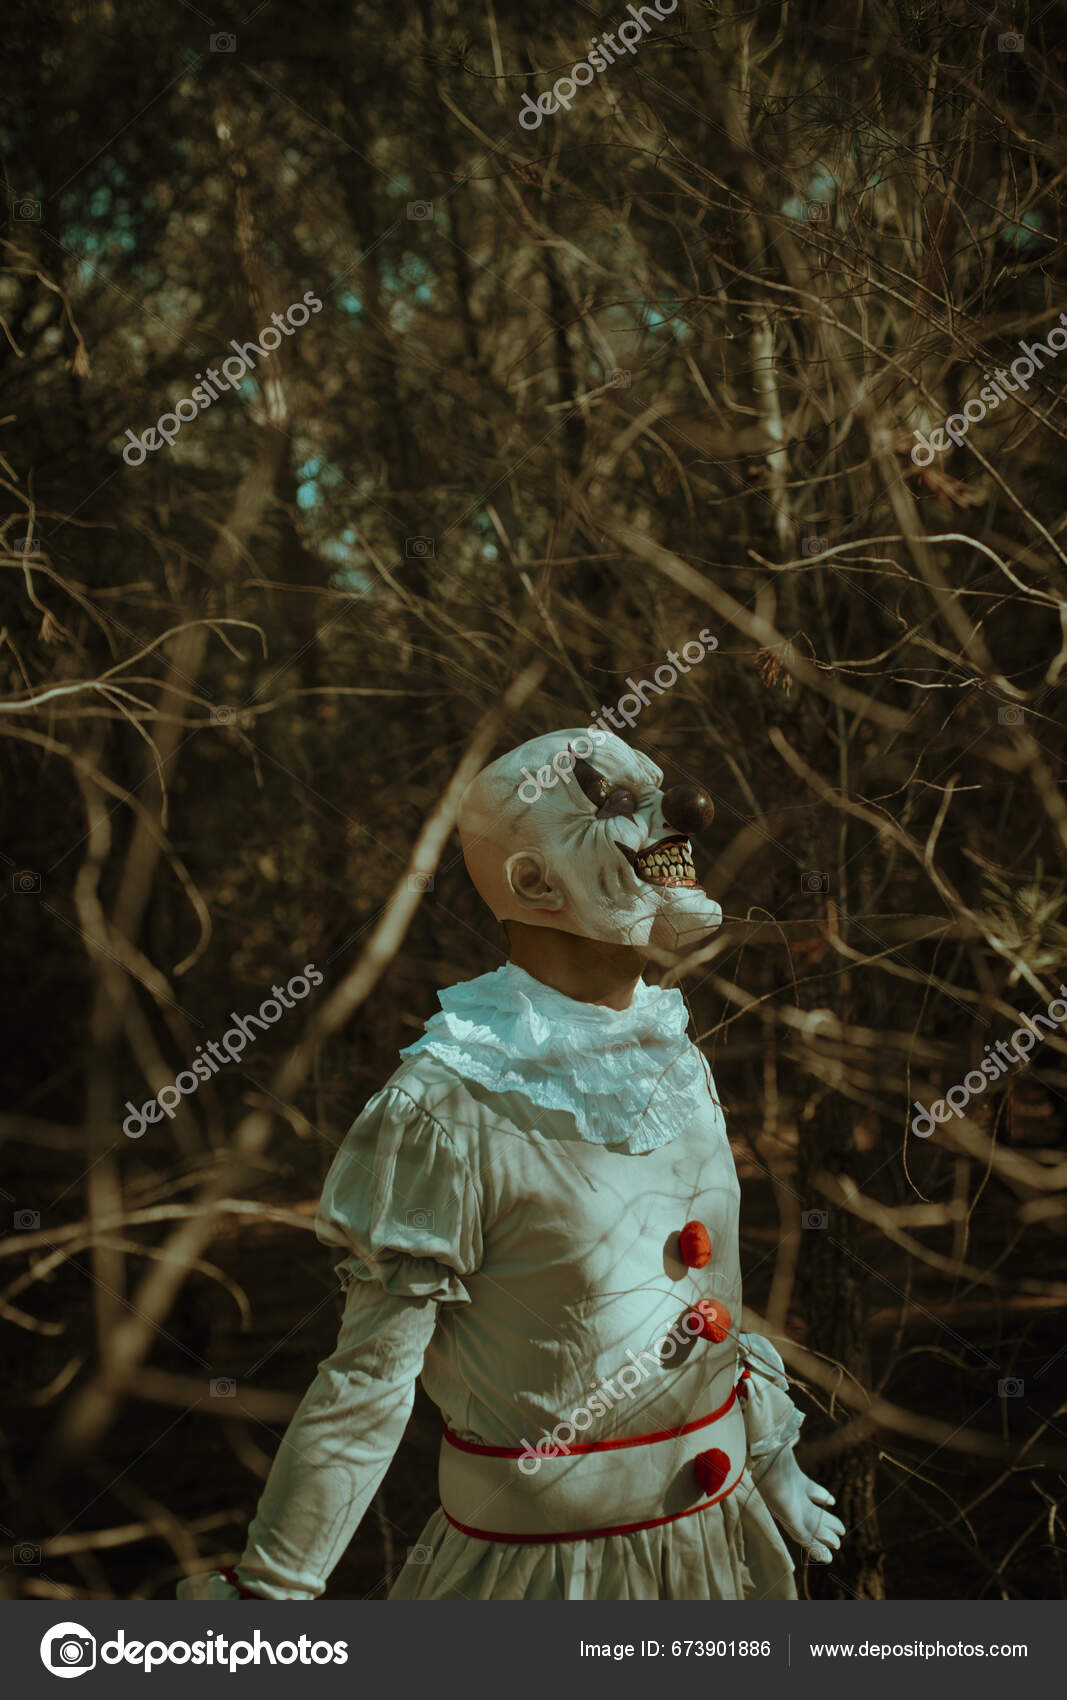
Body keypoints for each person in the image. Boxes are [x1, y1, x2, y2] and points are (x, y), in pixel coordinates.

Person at [178, 728, 843, 1600]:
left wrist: (765, 1454)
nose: (679, 814)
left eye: (657, 793)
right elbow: (368, 1384)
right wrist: (272, 1587)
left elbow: (701, 1300)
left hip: (719, 1557)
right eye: (615, 806)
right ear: (532, 881)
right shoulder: (443, 1106)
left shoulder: (670, 1052)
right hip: (551, 1585)